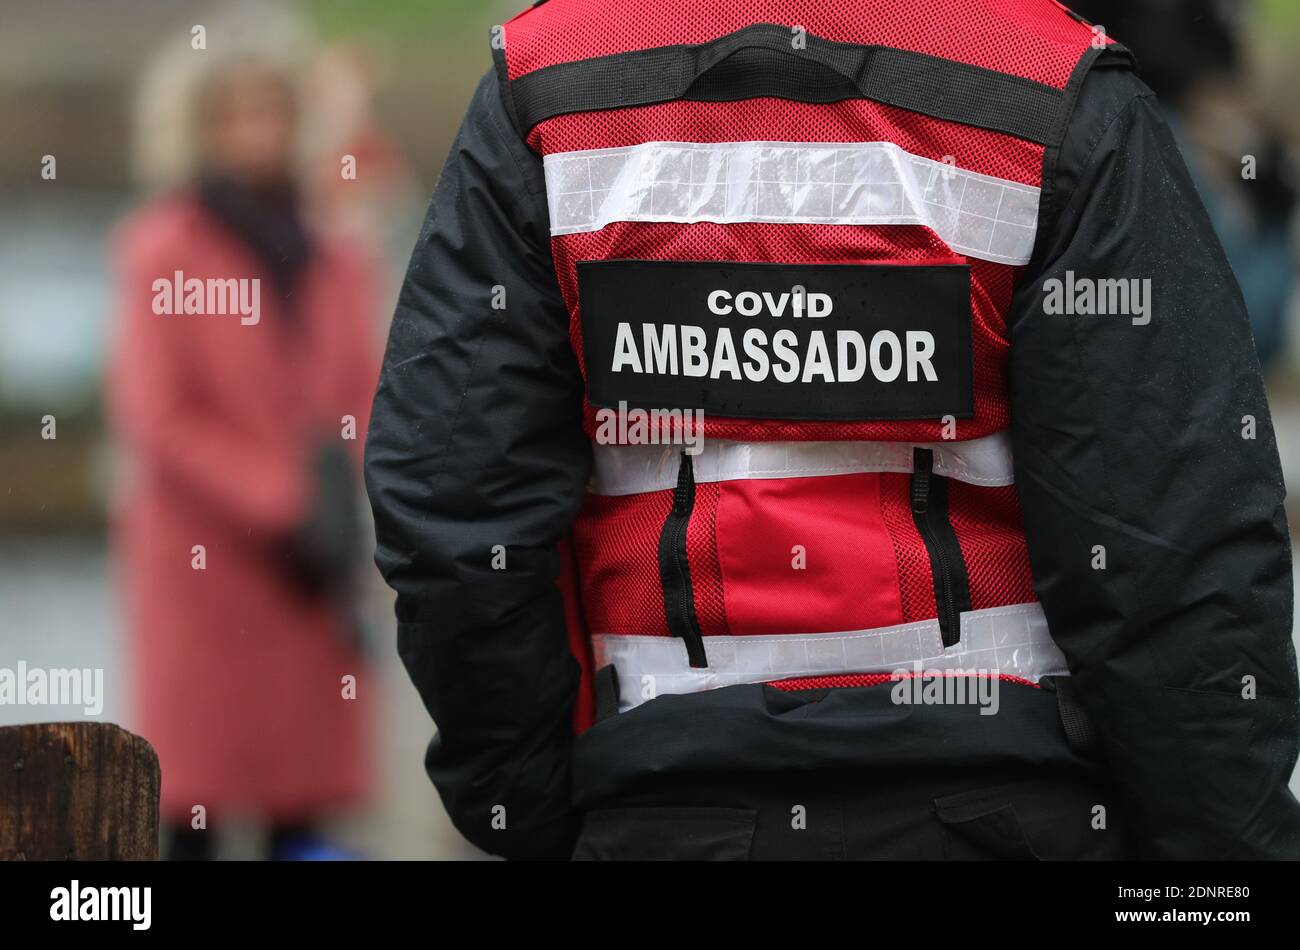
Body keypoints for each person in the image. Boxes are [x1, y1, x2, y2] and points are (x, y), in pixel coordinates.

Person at [366, 0, 1300, 860]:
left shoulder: (547, 84)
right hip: (1005, 807)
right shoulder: (1052, 82)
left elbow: (451, 507)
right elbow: (1170, 545)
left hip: (662, 806)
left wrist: (532, 808)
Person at [109, 56, 379, 860]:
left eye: (272, 112)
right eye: (233, 115)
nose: (256, 133)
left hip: (314, 570)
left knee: (300, 809)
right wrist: (283, 501)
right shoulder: (158, 250)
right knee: (193, 801)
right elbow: (159, 419)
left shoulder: (337, 253)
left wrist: (355, 505)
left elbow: (367, 392)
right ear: (196, 128)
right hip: (208, 570)